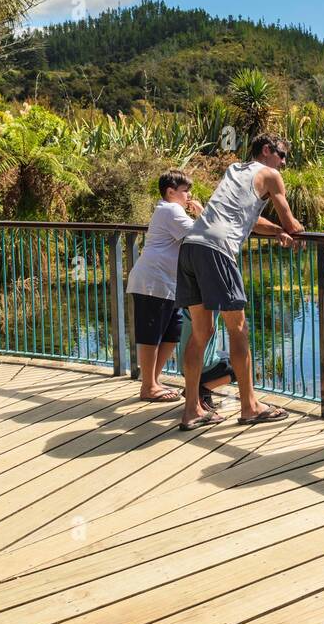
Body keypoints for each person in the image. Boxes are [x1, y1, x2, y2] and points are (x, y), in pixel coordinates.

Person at [176, 133, 304, 430]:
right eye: (282, 154)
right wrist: (294, 231)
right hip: (217, 251)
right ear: (266, 150)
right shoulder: (270, 175)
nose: (283, 162)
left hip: (192, 246)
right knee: (238, 329)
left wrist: (274, 232)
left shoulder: (235, 171)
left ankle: (192, 409)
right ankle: (249, 406)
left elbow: (248, 219)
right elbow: (290, 221)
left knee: (201, 332)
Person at [126, 169, 204, 402]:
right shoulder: (170, 210)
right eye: (185, 191)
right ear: (171, 192)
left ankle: (153, 381)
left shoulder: (171, 209)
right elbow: (198, 234)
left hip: (167, 283)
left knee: (172, 333)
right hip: (153, 282)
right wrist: (201, 213)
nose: (189, 195)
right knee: (152, 335)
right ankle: (148, 387)